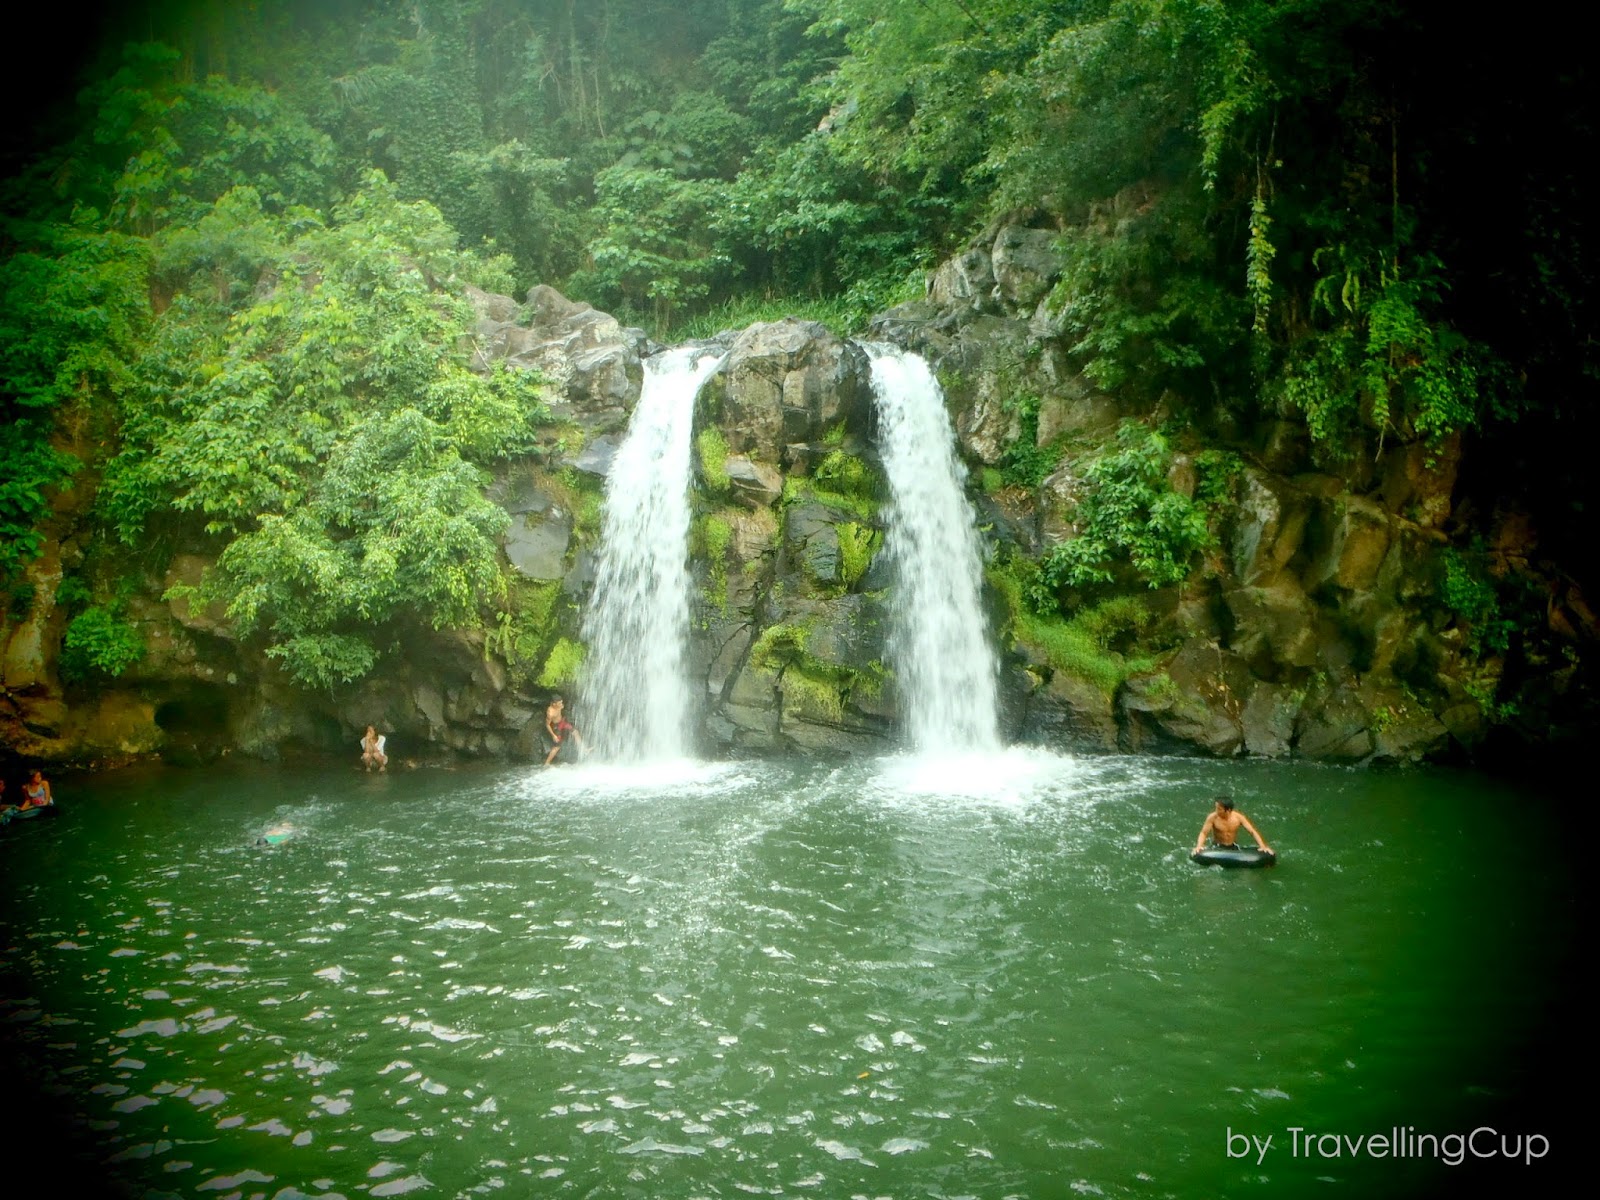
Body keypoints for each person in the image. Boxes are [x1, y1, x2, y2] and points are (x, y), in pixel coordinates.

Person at [1194, 795, 1271, 855]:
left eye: (1219, 809)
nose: (1216, 811)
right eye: (1216, 808)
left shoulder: (1239, 817)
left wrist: (1262, 846)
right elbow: (1203, 833)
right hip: (1217, 846)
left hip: (1232, 846)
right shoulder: (1212, 817)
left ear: (1228, 810)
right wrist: (1199, 846)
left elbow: (1252, 831)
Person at [542, 695, 584, 766]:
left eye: (561, 702)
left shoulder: (560, 706)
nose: (561, 704)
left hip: (562, 722)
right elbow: (547, 725)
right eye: (560, 703)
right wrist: (553, 736)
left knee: (575, 732)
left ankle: (583, 750)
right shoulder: (550, 713)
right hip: (556, 727)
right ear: (554, 704)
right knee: (557, 746)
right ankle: (547, 763)